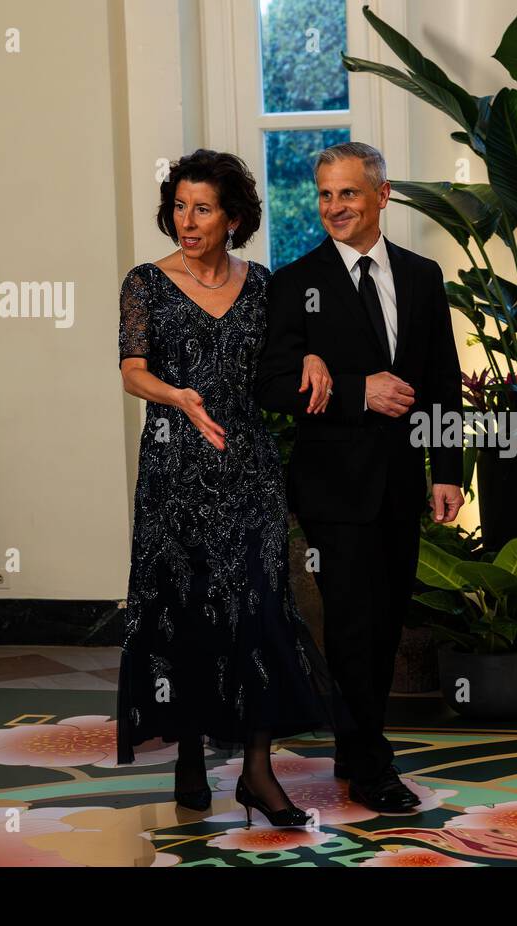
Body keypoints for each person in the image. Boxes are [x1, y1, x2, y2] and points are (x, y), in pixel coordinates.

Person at [114, 149, 348, 828]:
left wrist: (306, 353)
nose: (187, 220)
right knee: (186, 612)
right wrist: (179, 399)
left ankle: (256, 769)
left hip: (249, 470)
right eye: (180, 206)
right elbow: (131, 370)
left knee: (259, 612)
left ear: (233, 217)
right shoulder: (145, 283)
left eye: (203, 208)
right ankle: (189, 752)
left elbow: (284, 354)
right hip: (175, 472)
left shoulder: (264, 283)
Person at [256, 142, 465, 814]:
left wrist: (448, 471)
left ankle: (353, 744)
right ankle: (374, 767)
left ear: (383, 194)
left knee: (383, 625)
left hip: (402, 484)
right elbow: (271, 385)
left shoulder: (424, 275)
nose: (334, 208)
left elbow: (442, 384)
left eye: (347, 193)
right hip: (332, 488)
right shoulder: (294, 283)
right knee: (351, 624)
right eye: (324, 194)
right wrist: (356, 392)